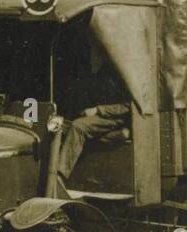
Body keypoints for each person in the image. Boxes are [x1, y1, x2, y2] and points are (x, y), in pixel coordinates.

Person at [54, 40, 131, 190]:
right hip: (100, 122)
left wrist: (98, 110)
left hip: (114, 119)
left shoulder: (117, 75)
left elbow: (127, 106)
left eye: (95, 50)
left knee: (78, 127)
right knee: (59, 125)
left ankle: (59, 176)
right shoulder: (96, 72)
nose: (92, 54)